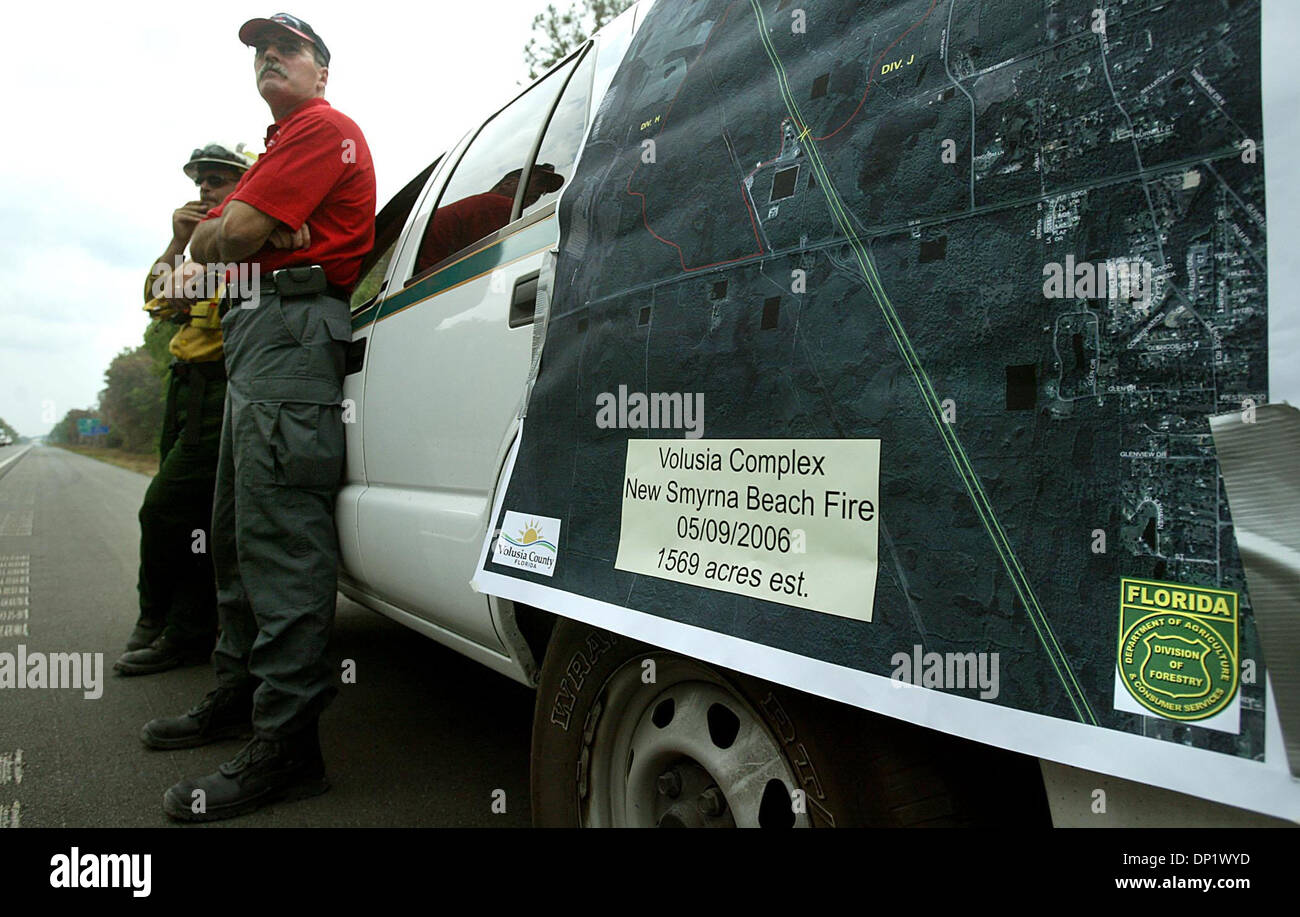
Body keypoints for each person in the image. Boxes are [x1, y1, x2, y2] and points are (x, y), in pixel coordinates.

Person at [140, 12, 376, 822]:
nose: (271, 57)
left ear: (321, 70)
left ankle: (289, 745)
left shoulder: (322, 128)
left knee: (280, 538)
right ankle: (239, 697)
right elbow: (201, 260)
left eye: (289, 47)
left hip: (290, 330)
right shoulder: (276, 153)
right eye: (260, 52)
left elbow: (228, 234)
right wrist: (241, 230)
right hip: (251, 331)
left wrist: (236, 229)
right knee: (235, 530)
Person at [116, 144, 254, 676]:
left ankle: (159, 621)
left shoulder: (241, 242)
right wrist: (178, 241)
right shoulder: (196, 248)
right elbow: (158, 301)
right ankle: (186, 624)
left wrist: (200, 246)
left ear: (243, 185)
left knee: (164, 508)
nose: (205, 189)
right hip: (185, 388)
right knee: (193, 517)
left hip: (220, 388)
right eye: (201, 181)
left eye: (218, 180)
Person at [414, 163, 564, 272]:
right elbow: (489, 268)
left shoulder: (476, 205)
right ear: (508, 183)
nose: (540, 192)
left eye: (544, 191)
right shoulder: (495, 206)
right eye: (538, 183)